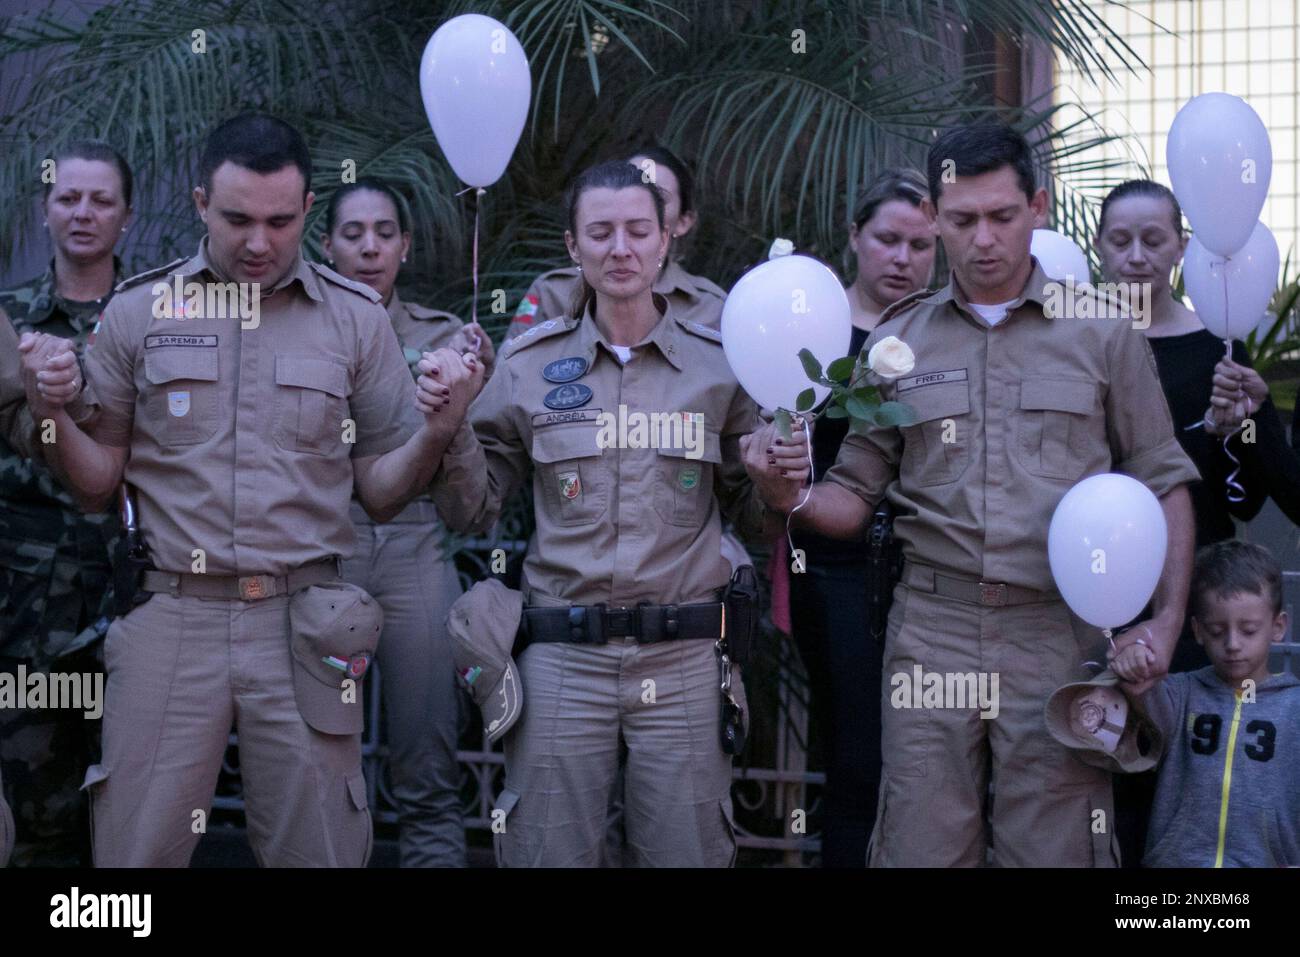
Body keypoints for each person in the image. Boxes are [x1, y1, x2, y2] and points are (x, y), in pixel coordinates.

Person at [19, 112, 482, 867]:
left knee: (319, 850)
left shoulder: (355, 321)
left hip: (306, 624)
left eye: (278, 220)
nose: (258, 242)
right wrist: (49, 415)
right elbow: (99, 481)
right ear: (201, 203)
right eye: (236, 218)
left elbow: (383, 494)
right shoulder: (141, 311)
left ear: (307, 210)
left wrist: (438, 431)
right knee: (134, 856)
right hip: (173, 615)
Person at [744, 122, 1200, 867]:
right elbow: (854, 494)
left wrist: (1167, 621)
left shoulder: (1102, 333)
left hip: (1058, 633)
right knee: (920, 844)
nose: (982, 239)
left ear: (1039, 208)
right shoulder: (900, 338)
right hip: (931, 627)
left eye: (1002, 216)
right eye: (960, 220)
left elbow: (1164, 476)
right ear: (933, 215)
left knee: (1053, 847)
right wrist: (786, 491)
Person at [426, 159, 781, 867]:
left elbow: (755, 517)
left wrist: (777, 485)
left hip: (683, 656)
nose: (620, 248)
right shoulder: (528, 365)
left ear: (664, 241)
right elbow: (474, 508)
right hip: (562, 659)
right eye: (601, 233)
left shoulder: (724, 367)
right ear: (572, 247)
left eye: (636, 231)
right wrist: (452, 426)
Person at [321, 177, 493, 867]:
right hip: (322, 550)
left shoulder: (446, 337)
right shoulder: (297, 325)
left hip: (415, 546)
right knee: (318, 772)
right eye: (353, 233)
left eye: (384, 233)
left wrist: (465, 395)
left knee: (426, 768)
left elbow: (468, 496)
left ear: (405, 244)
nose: (369, 247)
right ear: (326, 245)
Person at [789, 168, 935, 867]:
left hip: (933, 572)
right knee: (856, 755)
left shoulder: (945, 332)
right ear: (854, 237)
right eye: (887, 239)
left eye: (920, 244)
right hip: (834, 568)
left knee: (929, 764)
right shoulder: (811, 327)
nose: (903, 258)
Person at [0, 140, 133, 867]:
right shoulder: (7, 315)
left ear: (127, 215)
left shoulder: (155, 313)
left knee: (132, 805)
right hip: (25, 599)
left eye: (101, 200)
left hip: (134, 584)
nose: (83, 213)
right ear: (47, 209)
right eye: (68, 198)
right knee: (37, 811)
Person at [1115, 540, 1300, 867]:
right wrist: (1134, 662)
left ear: (1278, 628)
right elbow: (1140, 690)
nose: (1232, 644)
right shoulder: (1182, 693)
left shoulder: (1295, 708)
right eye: (1217, 631)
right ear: (1198, 631)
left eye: (1248, 630)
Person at [505, 145, 725, 340]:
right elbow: (512, 375)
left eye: (657, 196)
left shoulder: (712, 308)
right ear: (572, 244)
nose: (635, 201)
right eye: (628, 182)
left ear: (682, 222)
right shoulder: (552, 292)